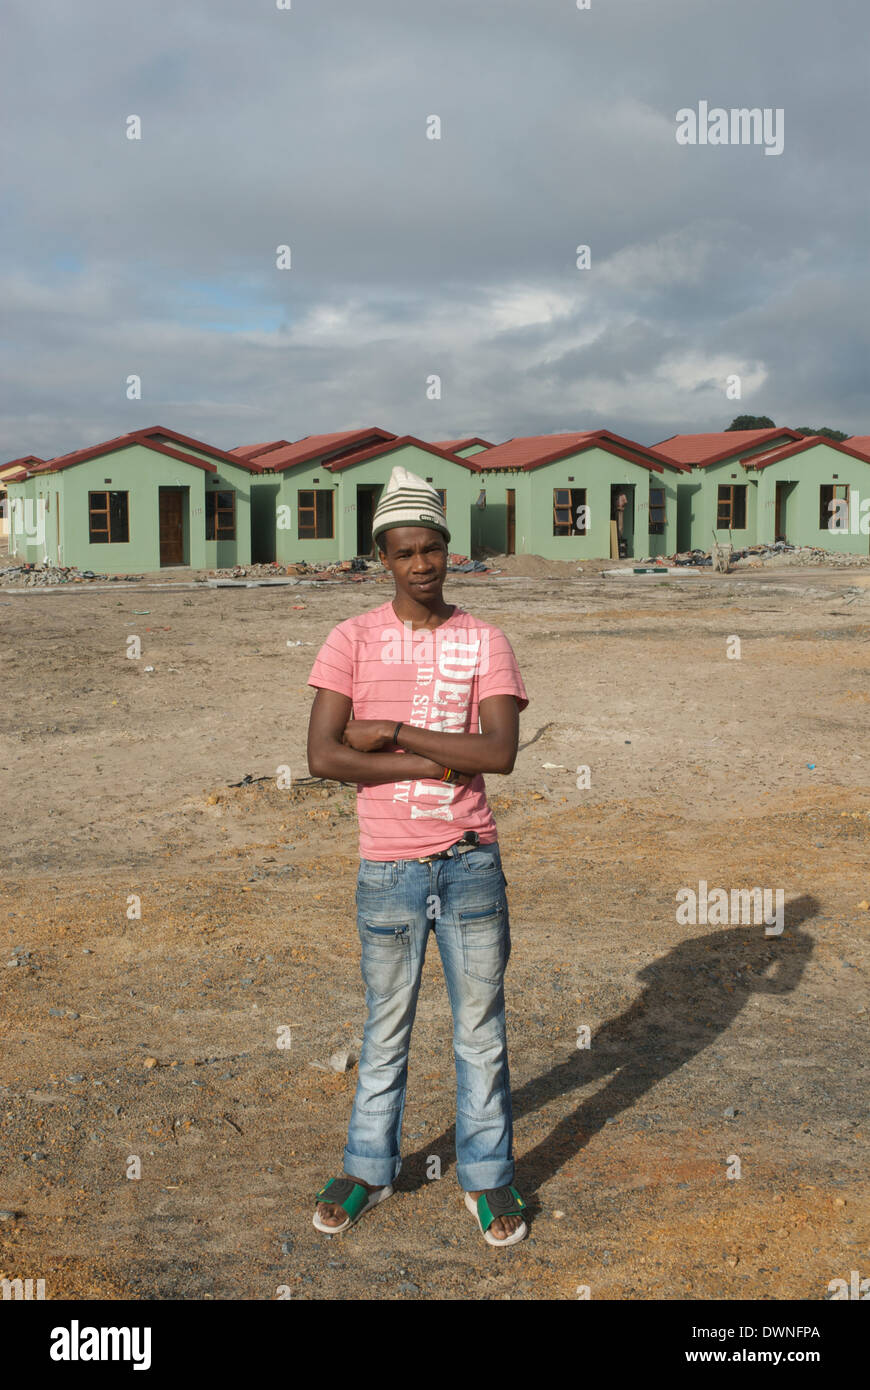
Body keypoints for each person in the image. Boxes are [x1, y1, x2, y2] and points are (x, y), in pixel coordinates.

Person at [305, 465, 529, 1246]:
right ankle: (369, 1166)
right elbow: (325, 758)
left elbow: (497, 752)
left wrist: (395, 734)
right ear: (384, 559)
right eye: (405, 552)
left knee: (480, 1030)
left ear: (449, 551)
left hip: (468, 860)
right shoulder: (352, 639)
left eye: (433, 548)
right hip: (390, 868)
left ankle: (489, 1178)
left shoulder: (485, 640)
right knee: (386, 1025)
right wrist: (439, 760)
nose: (422, 564)